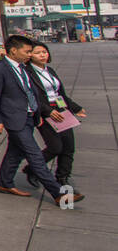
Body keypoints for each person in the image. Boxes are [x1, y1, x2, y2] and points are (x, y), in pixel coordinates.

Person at [0, 34, 83, 205]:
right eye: (27, 51)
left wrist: (38, 115)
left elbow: (31, 93)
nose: (29, 55)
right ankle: (59, 193)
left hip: (29, 117)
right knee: (35, 156)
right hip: (14, 118)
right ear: (13, 50)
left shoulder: (23, 68)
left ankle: (5, 183)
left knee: (14, 153)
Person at [24, 43, 85, 188]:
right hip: (45, 112)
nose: (43, 55)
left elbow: (60, 94)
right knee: (55, 147)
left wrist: (75, 108)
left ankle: (63, 176)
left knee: (68, 146)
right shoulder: (27, 73)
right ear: (30, 55)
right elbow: (31, 96)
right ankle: (32, 169)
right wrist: (48, 111)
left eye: (44, 52)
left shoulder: (49, 70)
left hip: (61, 109)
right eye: (38, 52)